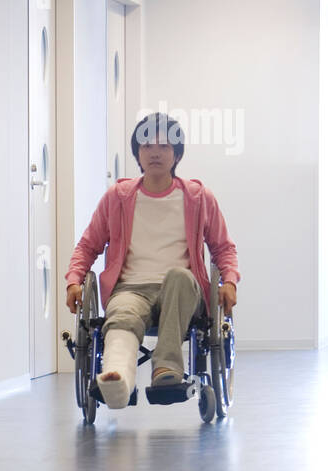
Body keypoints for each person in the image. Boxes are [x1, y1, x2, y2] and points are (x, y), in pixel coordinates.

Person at [64, 113, 240, 409]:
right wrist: (73, 280)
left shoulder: (198, 198)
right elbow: (87, 246)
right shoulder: (117, 197)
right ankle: (118, 378)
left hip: (182, 291)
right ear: (137, 153)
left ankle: (166, 371)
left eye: (163, 145)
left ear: (177, 154)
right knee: (122, 310)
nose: (155, 152)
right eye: (146, 145)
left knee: (180, 276)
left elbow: (223, 248)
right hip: (131, 288)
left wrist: (230, 280)